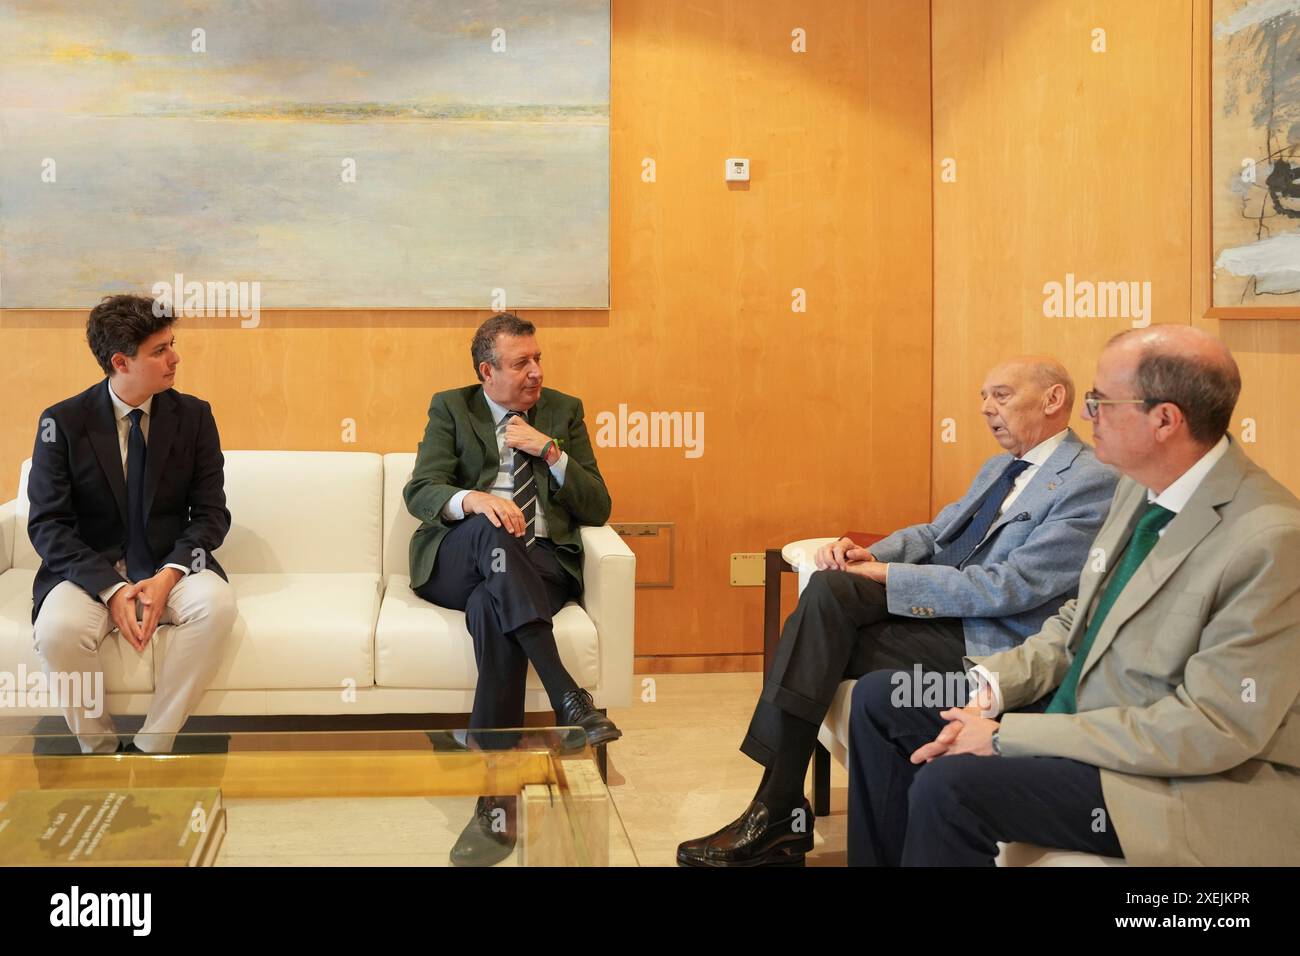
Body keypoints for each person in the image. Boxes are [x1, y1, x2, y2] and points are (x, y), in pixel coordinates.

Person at [847, 325, 1300, 866]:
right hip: (1077, 708)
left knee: (952, 787)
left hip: (1161, 771)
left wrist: (1005, 736)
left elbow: (1212, 728)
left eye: (1101, 402)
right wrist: (992, 686)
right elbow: (1076, 619)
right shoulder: (1136, 484)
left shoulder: (1269, 539)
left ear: (1164, 420)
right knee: (883, 701)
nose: (1088, 417)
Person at [678, 356, 1117, 866]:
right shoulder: (998, 469)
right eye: (982, 397)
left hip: (992, 635)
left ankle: (777, 809)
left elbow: (1011, 587)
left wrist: (890, 577)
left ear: (1053, 399)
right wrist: (874, 554)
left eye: (1000, 395)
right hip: (942, 618)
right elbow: (936, 535)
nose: (985, 409)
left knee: (822, 631)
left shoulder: (1089, 479)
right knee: (830, 590)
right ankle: (777, 807)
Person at [404, 312, 620, 865]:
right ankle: (565, 693)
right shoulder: (452, 407)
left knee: (491, 608)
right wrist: (475, 500)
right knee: (487, 529)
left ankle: (494, 806)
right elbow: (422, 489)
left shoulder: (561, 413)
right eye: (521, 363)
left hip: (540, 561)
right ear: (487, 371)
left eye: (538, 359)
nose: (535, 373)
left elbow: (598, 506)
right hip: (460, 555)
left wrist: (550, 451)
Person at [28, 294, 236, 755]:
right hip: (88, 570)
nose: (174, 357)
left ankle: (153, 743)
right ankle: (98, 750)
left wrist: (169, 574)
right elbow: (48, 525)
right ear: (120, 361)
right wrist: (112, 588)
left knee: (216, 605)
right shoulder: (62, 422)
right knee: (58, 630)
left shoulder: (194, 417)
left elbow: (211, 515)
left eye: (172, 344)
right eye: (160, 350)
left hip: (170, 564)